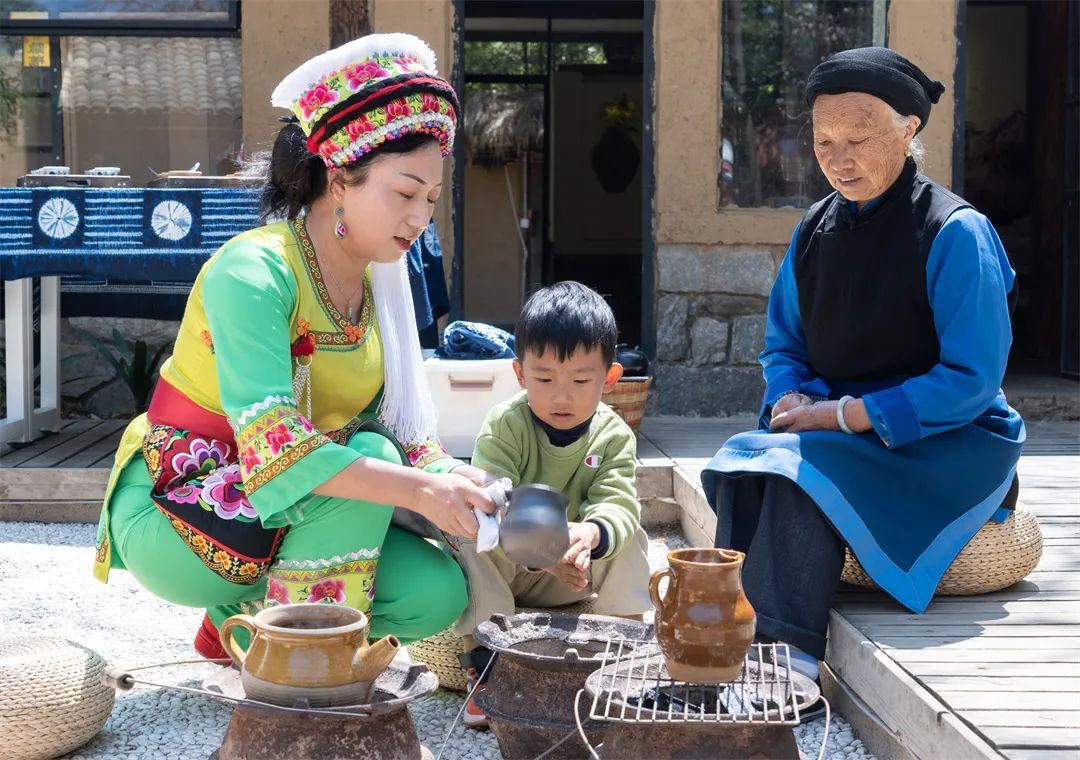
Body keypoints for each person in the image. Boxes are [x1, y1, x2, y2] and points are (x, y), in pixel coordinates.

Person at [92, 33, 497, 655]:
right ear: (340, 179)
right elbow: (273, 446)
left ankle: (238, 623)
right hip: (187, 499)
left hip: (301, 507)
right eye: (406, 193)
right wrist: (418, 490)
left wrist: (467, 485)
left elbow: (409, 440)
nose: (421, 218)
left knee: (435, 594)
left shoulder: (380, 284)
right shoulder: (253, 271)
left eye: (432, 200)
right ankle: (300, 669)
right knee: (361, 458)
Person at [700, 47, 1024, 697]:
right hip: (843, 429)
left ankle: (785, 663)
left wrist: (843, 416)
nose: (838, 158)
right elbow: (783, 347)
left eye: (858, 138)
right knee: (744, 462)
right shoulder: (812, 232)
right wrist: (791, 398)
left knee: (802, 466)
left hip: (947, 439)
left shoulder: (957, 232)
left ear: (908, 130)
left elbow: (971, 380)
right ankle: (719, 638)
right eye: (823, 141)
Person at [452, 281, 653, 728]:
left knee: (632, 535)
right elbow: (494, 510)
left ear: (610, 378)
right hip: (515, 570)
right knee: (468, 532)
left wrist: (592, 535)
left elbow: (618, 503)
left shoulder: (614, 435)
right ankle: (487, 666)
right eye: (543, 379)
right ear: (520, 374)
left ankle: (625, 653)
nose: (562, 396)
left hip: (577, 571)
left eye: (581, 380)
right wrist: (543, 556)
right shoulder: (505, 426)